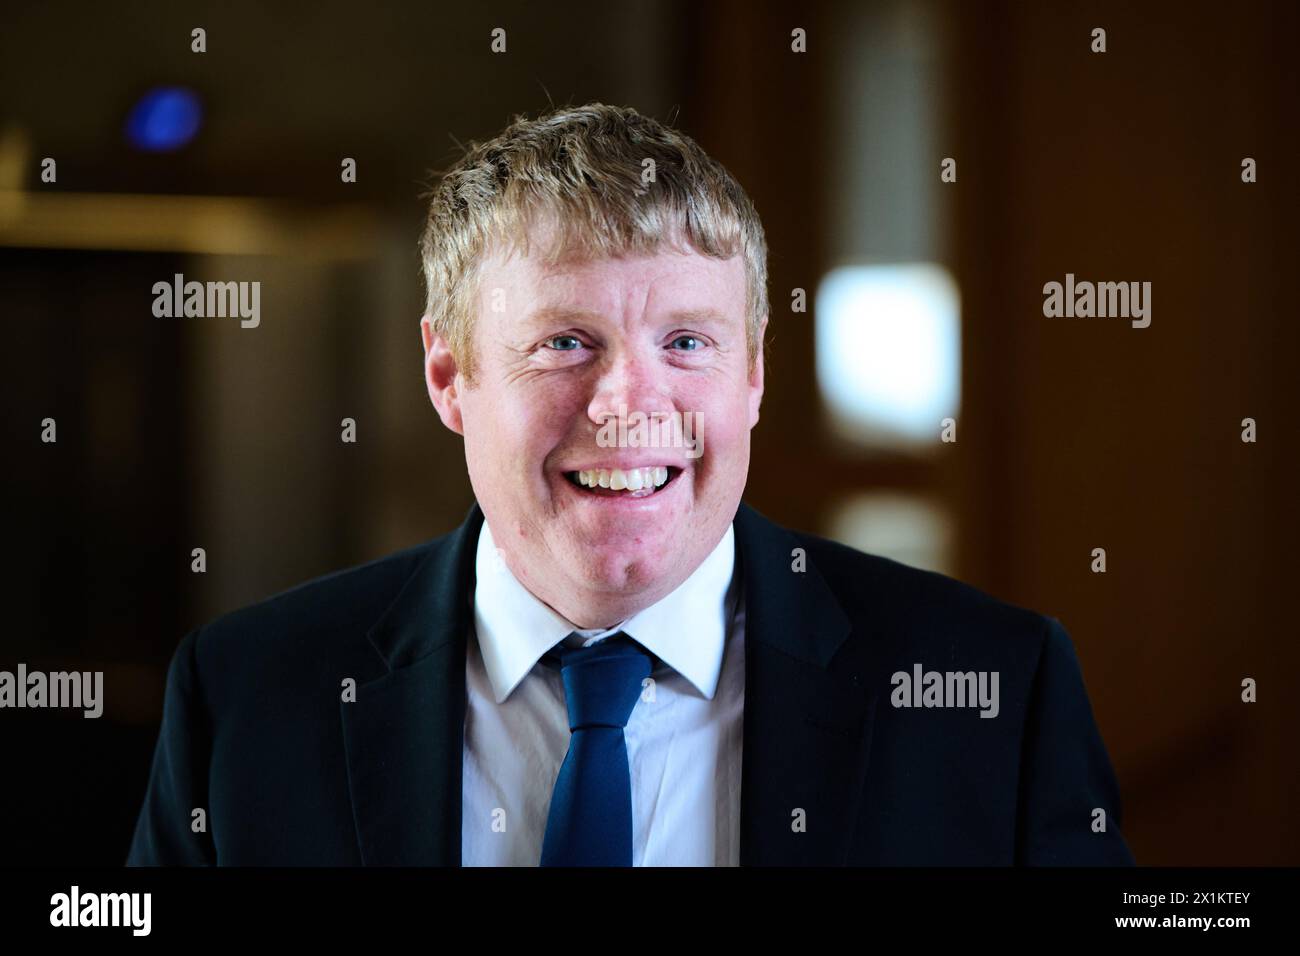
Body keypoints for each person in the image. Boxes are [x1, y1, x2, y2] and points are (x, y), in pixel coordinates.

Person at [126, 102, 1134, 867]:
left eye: (686, 341)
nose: (626, 405)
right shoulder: (249, 696)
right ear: (448, 374)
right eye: (566, 341)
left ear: (753, 373)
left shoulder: (996, 692)